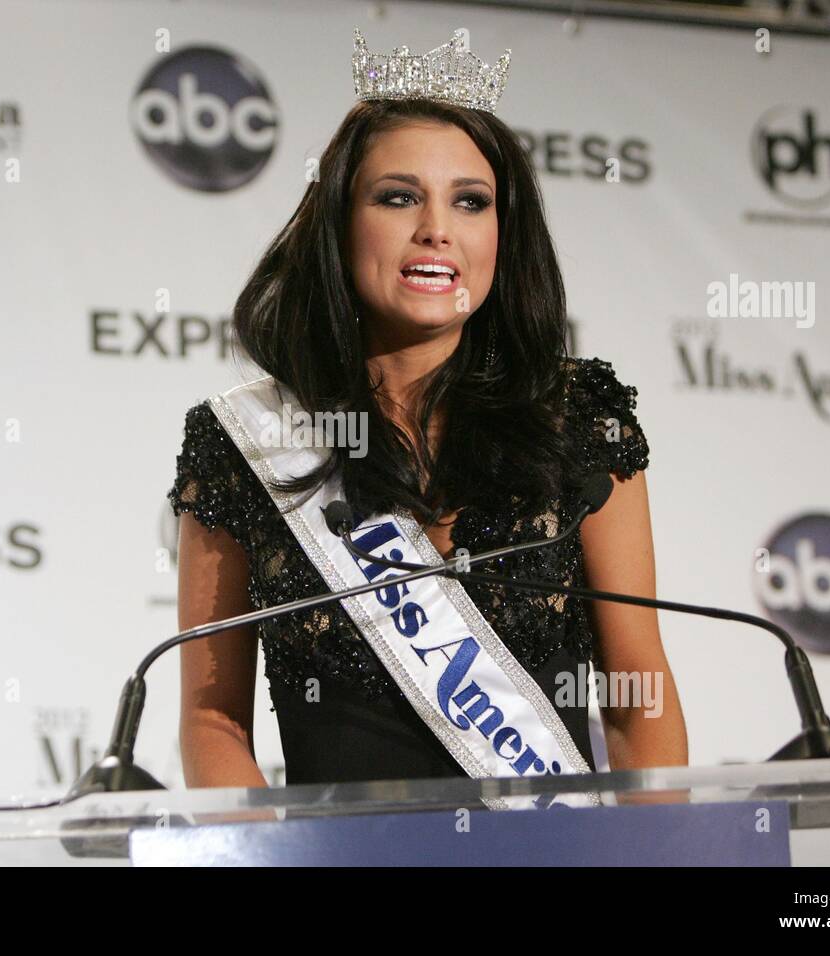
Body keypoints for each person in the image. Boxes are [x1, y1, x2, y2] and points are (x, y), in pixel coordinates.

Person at [169, 28, 687, 789]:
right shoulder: (245, 442)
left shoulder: (578, 418)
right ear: (341, 224)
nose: (436, 228)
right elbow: (212, 718)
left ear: (503, 237)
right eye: (398, 196)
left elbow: (637, 697)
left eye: (470, 202)